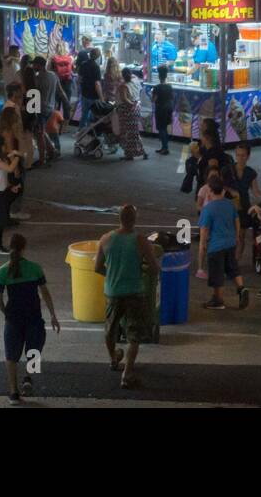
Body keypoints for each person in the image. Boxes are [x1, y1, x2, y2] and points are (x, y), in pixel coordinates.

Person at [95, 205, 160, 389]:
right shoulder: (141, 240)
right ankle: (127, 373)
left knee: (110, 327)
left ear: (119, 219)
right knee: (134, 334)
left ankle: (113, 359)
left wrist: (113, 273)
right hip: (135, 292)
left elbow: (97, 267)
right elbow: (154, 269)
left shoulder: (106, 239)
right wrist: (143, 268)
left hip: (113, 291)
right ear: (135, 219)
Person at [0, 233, 60, 404]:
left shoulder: (2, 271)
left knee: (11, 355)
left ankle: (13, 392)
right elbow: (45, 292)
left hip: (13, 318)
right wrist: (53, 314)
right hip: (33, 316)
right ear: (24, 248)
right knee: (35, 350)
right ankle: (29, 378)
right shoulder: (35, 268)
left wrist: (7, 314)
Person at [198, 176, 250, 310]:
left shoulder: (208, 209)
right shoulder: (229, 204)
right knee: (232, 268)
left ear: (209, 191)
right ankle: (241, 288)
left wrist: (202, 246)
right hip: (230, 243)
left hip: (216, 246)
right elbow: (237, 220)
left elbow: (204, 230)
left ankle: (218, 299)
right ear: (223, 190)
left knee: (217, 274)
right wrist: (237, 236)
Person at [34, 55, 70, 158]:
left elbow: (34, 95)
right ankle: (56, 149)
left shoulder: (37, 78)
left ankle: (51, 151)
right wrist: (66, 103)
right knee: (52, 129)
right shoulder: (53, 75)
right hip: (51, 108)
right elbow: (61, 91)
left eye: (34, 64)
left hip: (41, 109)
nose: (33, 66)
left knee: (41, 132)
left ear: (39, 66)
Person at [116, 67, 148, 160]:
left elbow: (124, 99)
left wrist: (131, 104)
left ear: (122, 76)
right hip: (137, 109)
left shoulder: (124, 86)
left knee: (128, 133)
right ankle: (141, 152)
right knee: (134, 132)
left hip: (128, 111)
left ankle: (131, 154)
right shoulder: (135, 80)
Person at [77, 44, 104, 128]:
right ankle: (89, 133)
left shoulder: (83, 64)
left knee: (84, 114)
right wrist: (101, 97)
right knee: (92, 116)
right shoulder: (96, 67)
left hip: (84, 93)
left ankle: (80, 131)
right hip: (93, 95)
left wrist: (81, 89)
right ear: (98, 57)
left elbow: (79, 79)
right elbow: (97, 84)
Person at [151, 65, 174, 155]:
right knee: (164, 128)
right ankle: (164, 147)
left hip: (161, 109)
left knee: (162, 129)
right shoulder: (169, 86)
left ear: (159, 76)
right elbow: (172, 97)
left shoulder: (156, 87)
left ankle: (165, 148)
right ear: (166, 75)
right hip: (168, 108)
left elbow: (153, 100)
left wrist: (152, 93)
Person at [50, 40, 75, 109]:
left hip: (57, 82)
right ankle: (66, 119)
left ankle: (56, 118)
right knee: (66, 103)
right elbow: (73, 69)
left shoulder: (53, 58)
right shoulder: (71, 58)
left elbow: (49, 70)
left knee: (56, 103)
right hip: (68, 82)